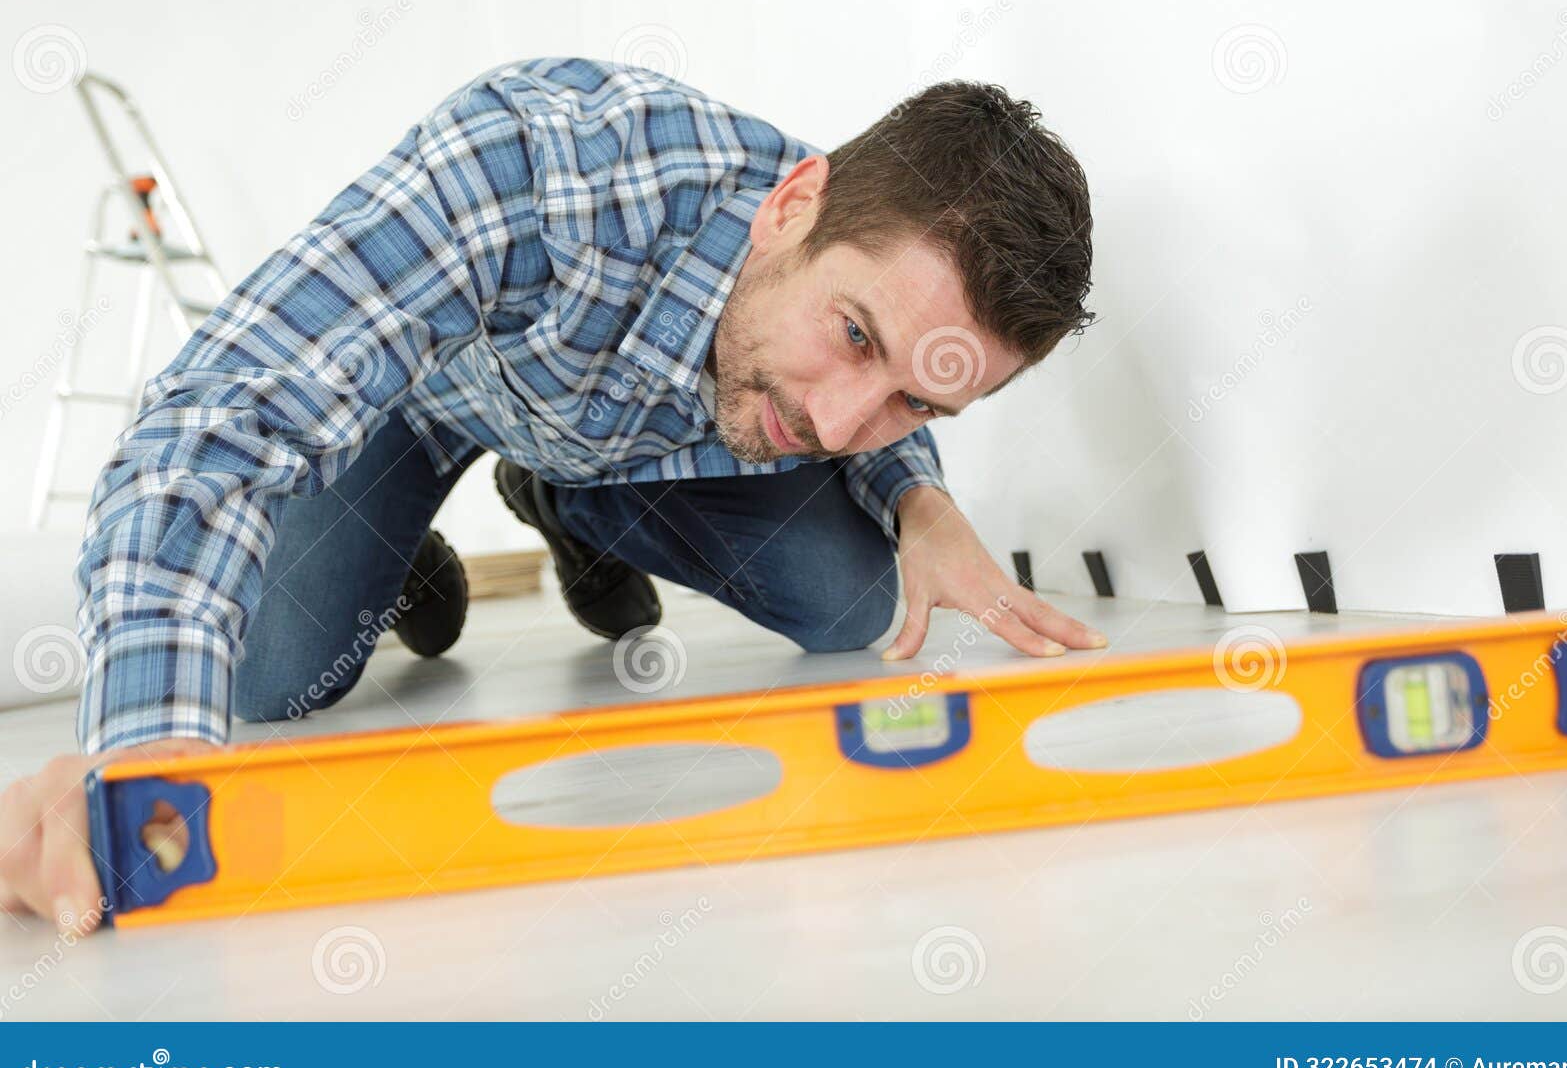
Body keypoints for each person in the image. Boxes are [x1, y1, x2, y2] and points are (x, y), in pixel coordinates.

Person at [0, 57, 1102, 933]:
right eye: (852, 335)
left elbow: (877, 400)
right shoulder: (535, 163)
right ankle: (399, 562)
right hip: (422, 404)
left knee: (860, 605)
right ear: (793, 204)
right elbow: (221, 417)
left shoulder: (841, 351)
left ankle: (563, 499)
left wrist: (921, 503)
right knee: (267, 673)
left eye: (916, 404)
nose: (840, 425)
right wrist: (138, 753)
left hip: (631, 446)